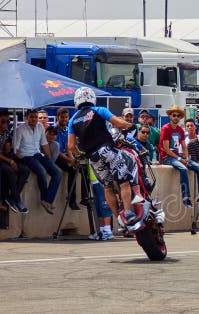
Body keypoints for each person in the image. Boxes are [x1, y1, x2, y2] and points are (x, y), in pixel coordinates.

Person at [67, 87, 141, 225]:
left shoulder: (72, 120)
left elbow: (71, 146)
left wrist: (81, 154)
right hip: (108, 151)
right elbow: (117, 123)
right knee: (124, 182)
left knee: (107, 187)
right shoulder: (99, 110)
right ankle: (128, 212)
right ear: (92, 98)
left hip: (93, 158)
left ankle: (119, 218)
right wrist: (130, 125)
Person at [14, 109, 62, 214]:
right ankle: (44, 198)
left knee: (58, 172)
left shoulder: (40, 127)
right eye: (32, 117)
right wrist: (21, 159)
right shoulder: (20, 129)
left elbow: (44, 144)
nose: (34, 119)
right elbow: (15, 149)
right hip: (27, 156)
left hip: (39, 154)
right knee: (42, 172)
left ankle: (47, 200)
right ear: (26, 118)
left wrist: (49, 161)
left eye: (36, 117)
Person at [0, 110, 29, 213]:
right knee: (10, 172)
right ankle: (17, 200)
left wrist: (10, 156)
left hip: (5, 157)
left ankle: (12, 197)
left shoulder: (7, 133)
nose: (6, 124)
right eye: (3, 121)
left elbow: (7, 149)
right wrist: (10, 161)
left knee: (25, 170)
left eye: (8, 122)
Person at [158, 105, 194, 207]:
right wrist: (180, 159)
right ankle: (186, 197)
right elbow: (166, 149)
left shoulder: (180, 129)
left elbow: (184, 147)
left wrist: (186, 158)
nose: (176, 117)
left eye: (178, 116)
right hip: (167, 157)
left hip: (178, 157)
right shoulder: (165, 128)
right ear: (170, 116)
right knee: (183, 169)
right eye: (174, 115)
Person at [54, 107, 80, 210]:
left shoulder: (67, 130)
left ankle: (84, 197)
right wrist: (70, 160)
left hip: (64, 155)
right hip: (55, 156)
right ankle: (71, 201)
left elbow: (68, 148)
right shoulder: (53, 130)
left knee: (82, 167)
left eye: (66, 117)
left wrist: (73, 159)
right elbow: (58, 151)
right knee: (72, 171)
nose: (64, 119)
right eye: (62, 117)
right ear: (57, 117)